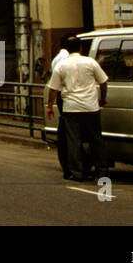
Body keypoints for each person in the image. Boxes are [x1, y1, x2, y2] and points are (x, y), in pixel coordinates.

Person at [46, 36, 108, 182]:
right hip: (91, 106)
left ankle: (77, 172)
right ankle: (102, 171)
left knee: (74, 140)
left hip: (71, 108)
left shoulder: (61, 65)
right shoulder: (90, 62)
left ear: (66, 49)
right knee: (96, 139)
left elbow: (53, 89)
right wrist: (103, 98)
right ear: (81, 48)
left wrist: (50, 106)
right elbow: (104, 81)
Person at [50, 34, 76, 179]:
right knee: (70, 133)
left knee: (65, 131)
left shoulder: (57, 58)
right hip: (67, 96)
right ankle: (69, 166)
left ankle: (68, 165)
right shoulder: (66, 59)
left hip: (63, 95)